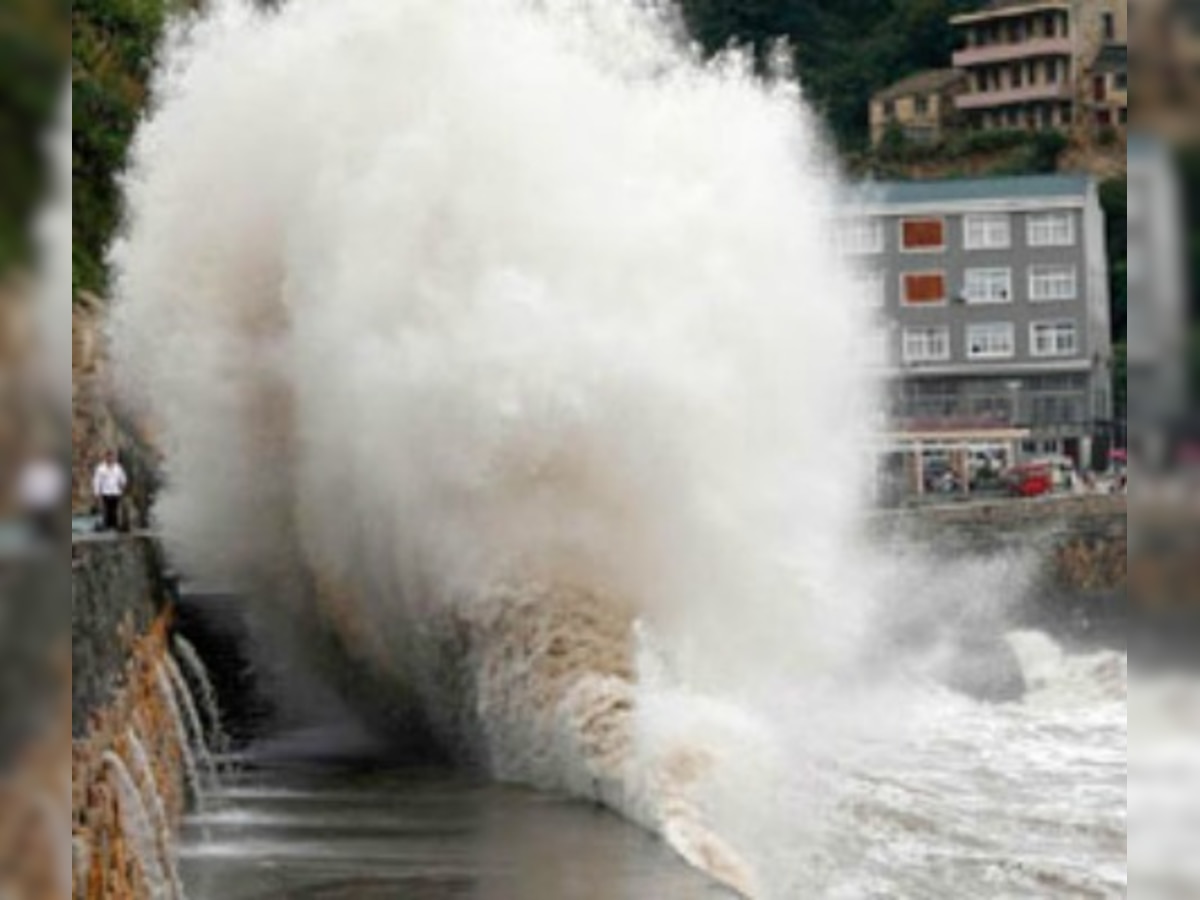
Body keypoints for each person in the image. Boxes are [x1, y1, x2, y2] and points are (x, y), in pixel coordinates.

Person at [17, 452, 67, 543]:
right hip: (36, 499)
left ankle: (50, 533)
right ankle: (39, 533)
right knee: (37, 518)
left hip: (49, 498)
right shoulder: (31, 470)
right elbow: (26, 485)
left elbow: (58, 484)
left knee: (49, 517)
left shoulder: (53, 470)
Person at [92, 451, 128, 532]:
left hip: (116, 492)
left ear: (113, 458)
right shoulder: (101, 468)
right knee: (106, 510)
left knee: (114, 510)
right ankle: (106, 526)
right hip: (106, 492)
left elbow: (123, 478)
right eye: (108, 457)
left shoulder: (118, 468)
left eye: (111, 457)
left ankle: (114, 526)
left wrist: (123, 485)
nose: (110, 459)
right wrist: (96, 492)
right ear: (106, 457)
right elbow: (96, 481)